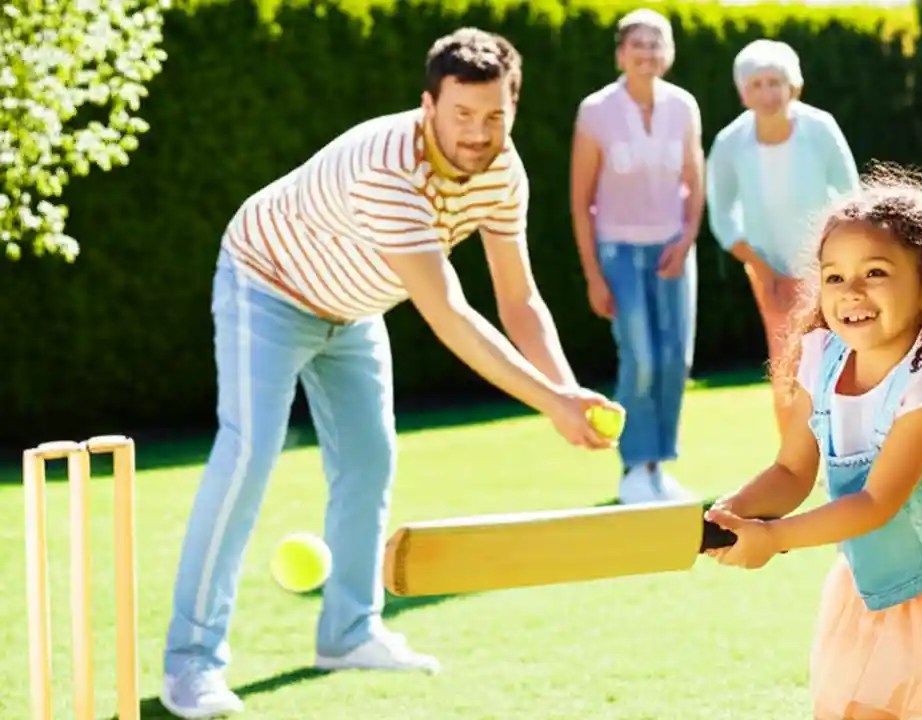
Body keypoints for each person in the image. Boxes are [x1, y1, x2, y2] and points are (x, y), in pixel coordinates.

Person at [160, 28, 621, 719]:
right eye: (462, 115)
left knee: (370, 462)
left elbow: (519, 299)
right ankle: (190, 665)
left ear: (513, 109)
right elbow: (450, 313)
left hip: (355, 306)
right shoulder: (388, 168)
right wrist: (548, 402)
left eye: (495, 115)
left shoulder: (502, 170)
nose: (478, 132)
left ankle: (348, 633)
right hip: (268, 281)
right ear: (428, 105)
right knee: (249, 453)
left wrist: (566, 392)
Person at [703, 164, 922, 720]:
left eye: (875, 273)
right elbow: (792, 471)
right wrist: (728, 515)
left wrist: (773, 539)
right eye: (834, 277)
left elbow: (876, 502)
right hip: (870, 584)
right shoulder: (822, 357)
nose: (853, 293)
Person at [569, 8, 705, 504]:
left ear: (668, 53)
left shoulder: (684, 106)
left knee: (675, 360)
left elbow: (694, 180)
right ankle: (633, 468)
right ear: (621, 54)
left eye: (657, 43)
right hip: (618, 250)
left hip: (672, 248)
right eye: (637, 43)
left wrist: (686, 238)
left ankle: (659, 466)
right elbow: (580, 199)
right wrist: (593, 276)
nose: (647, 52)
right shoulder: (596, 110)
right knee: (642, 358)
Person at [705, 39, 859, 437]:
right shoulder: (729, 142)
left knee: (840, 354)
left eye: (775, 82)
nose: (767, 93)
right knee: (785, 362)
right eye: (756, 84)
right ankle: (794, 462)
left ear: (794, 85)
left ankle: (845, 452)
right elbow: (722, 215)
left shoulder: (820, 127)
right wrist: (762, 269)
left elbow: (849, 196)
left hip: (827, 267)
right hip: (766, 270)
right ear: (743, 92)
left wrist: (824, 265)